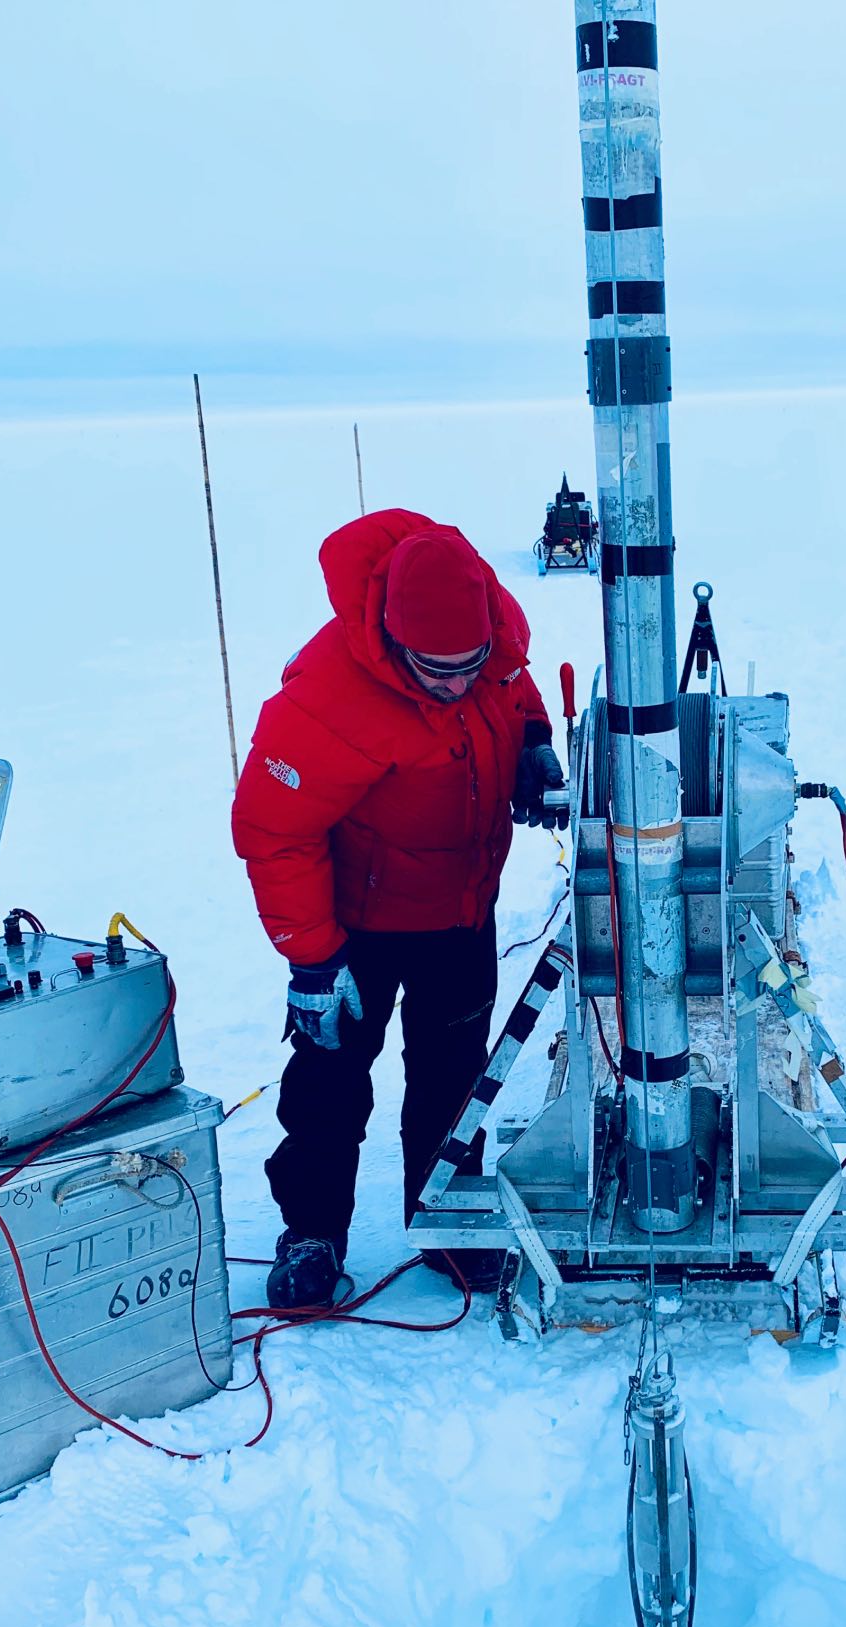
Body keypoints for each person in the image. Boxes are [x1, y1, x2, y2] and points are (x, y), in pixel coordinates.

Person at [231, 508, 568, 1311]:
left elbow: (513, 690)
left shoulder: (496, 650)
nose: (457, 683)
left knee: (455, 1077)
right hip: (355, 930)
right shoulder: (324, 701)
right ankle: (312, 1235)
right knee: (330, 1082)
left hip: (459, 911)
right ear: (392, 639)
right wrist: (312, 957)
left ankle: (447, 1218)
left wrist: (532, 741)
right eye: (436, 670)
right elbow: (273, 830)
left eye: (471, 664)